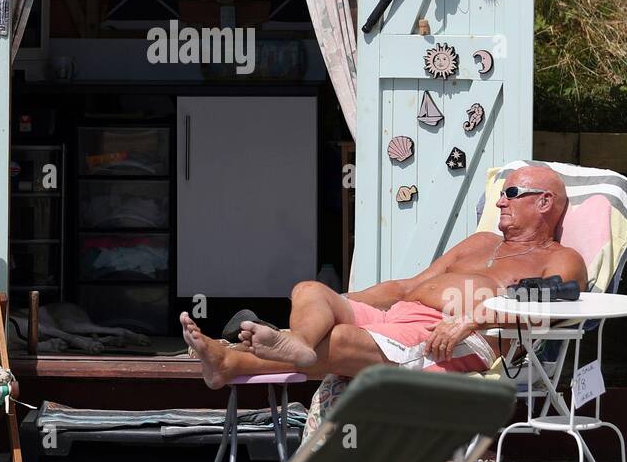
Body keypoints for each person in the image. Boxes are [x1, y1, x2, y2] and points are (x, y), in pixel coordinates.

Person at [181, 164, 587, 390]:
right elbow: (408, 287)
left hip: (446, 337)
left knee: (338, 339)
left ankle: (230, 361)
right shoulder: (480, 242)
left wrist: (472, 319)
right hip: (397, 317)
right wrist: (336, 303)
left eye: (511, 193)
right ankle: (298, 343)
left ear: (545, 202)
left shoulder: (561, 259)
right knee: (309, 289)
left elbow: (556, 306)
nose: (500, 200)